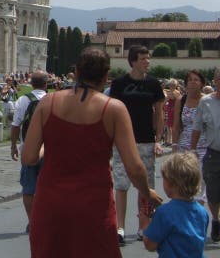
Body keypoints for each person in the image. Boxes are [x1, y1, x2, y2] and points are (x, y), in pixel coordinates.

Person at [22, 48, 161, 257]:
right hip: (93, 205)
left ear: (76, 72)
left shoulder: (48, 103)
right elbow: (134, 166)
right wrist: (146, 191)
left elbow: (29, 157)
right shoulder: (114, 109)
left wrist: (49, 145)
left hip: (51, 203)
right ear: (106, 76)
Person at [109, 44, 164, 244]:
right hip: (123, 140)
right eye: (143, 59)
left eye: (148, 58)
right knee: (121, 184)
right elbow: (112, 111)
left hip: (146, 139)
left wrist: (158, 139)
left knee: (146, 185)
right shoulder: (119, 84)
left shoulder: (154, 84)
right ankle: (120, 227)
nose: (147, 62)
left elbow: (159, 112)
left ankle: (144, 225)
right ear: (133, 61)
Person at [143, 152, 208, 257]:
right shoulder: (203, 213)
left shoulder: (164, 213)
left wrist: (145, 222)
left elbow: (150, 245)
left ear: (171, 183)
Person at [10, 69, 47, 232]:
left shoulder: (23, 100)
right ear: (47, 84)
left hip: (28, 149)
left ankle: (33, 222)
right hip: (50, 150)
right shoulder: (52, 100)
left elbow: (16, 125)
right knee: (49, 187)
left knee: (28, 187)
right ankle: (45, 219)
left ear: (31, 84)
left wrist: (13, 146)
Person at [190, 67, 220, 242]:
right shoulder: (206, 102)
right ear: (215, 82)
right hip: (213, 153)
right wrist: (192, 150)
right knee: (213, 192)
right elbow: (197, 127)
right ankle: (216, 220)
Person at [172, 70, 207, 201]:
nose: (192, 82)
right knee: (183, 183)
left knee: (199, 185)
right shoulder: (181, 100)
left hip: (203, 147)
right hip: (184, 147)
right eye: (190, 79)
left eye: (196, 79)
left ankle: (198, 214)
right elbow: (176, 126)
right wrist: (175, 145)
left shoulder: (206, 101)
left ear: (202, 83)